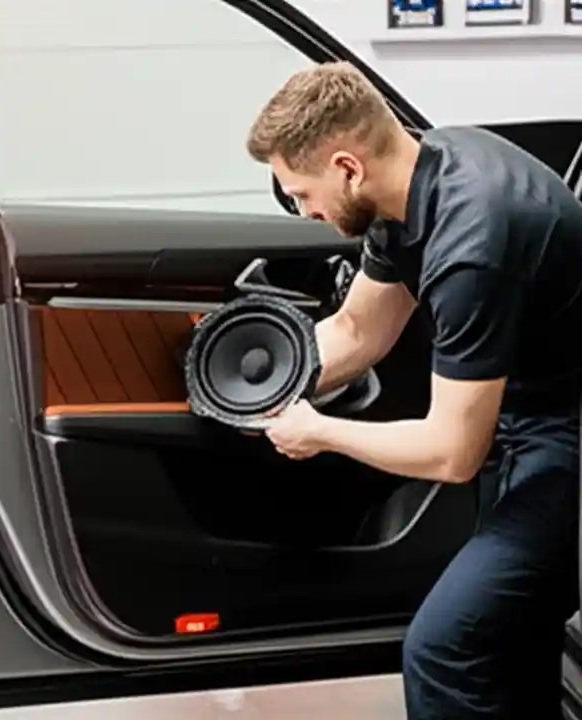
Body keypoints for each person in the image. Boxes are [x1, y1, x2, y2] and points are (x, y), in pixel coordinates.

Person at [244, 61, 582, 718]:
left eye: (300, 192)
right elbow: (357, 330)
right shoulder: (415, 173)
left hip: (567, 436)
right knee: (513, 641)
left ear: (347, 168)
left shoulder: (473, 238)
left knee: (446, 648)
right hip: (525, 414)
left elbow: (452, 452)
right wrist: (256, 384)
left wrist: (318, 432)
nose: (304, 211)